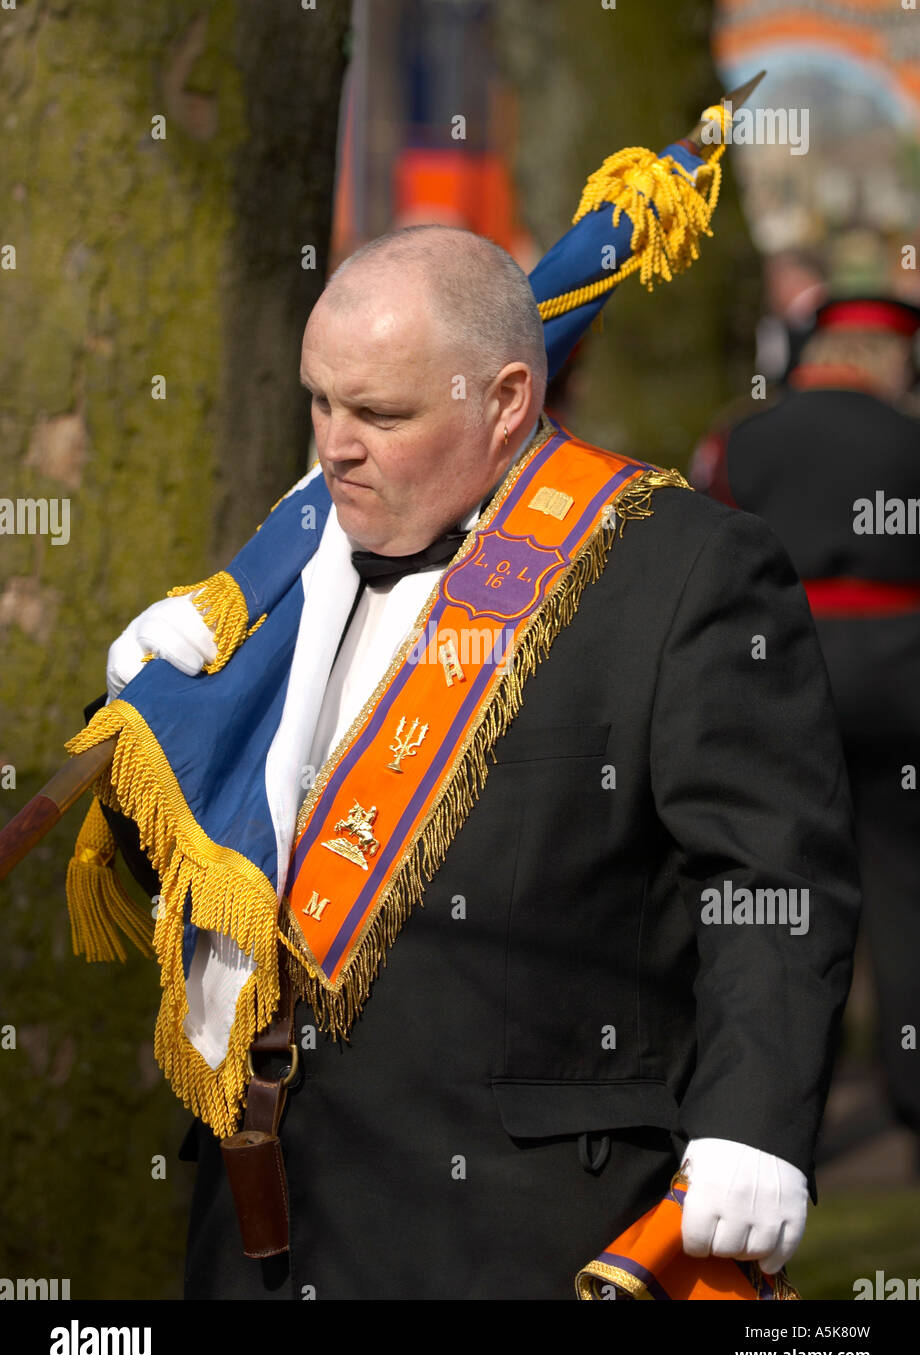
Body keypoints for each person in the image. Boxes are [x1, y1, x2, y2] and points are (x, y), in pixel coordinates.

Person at [75, 227, 859, 1300]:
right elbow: (210, 871)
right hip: (269, 1207)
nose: (335, 447)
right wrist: (149, 729)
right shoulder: (287, 568)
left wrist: (751, 1124)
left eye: (380, 415)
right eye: (320, 403)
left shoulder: (682, 568)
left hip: (514, 1218)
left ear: (501, 402)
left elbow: (769, 871)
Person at [692, 295, 920, 1157]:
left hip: (779, 679)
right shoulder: (910, 438)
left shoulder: (741, 439)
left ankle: (779, 1118)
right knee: (908, 903)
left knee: (780, 899)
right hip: (905, 687)